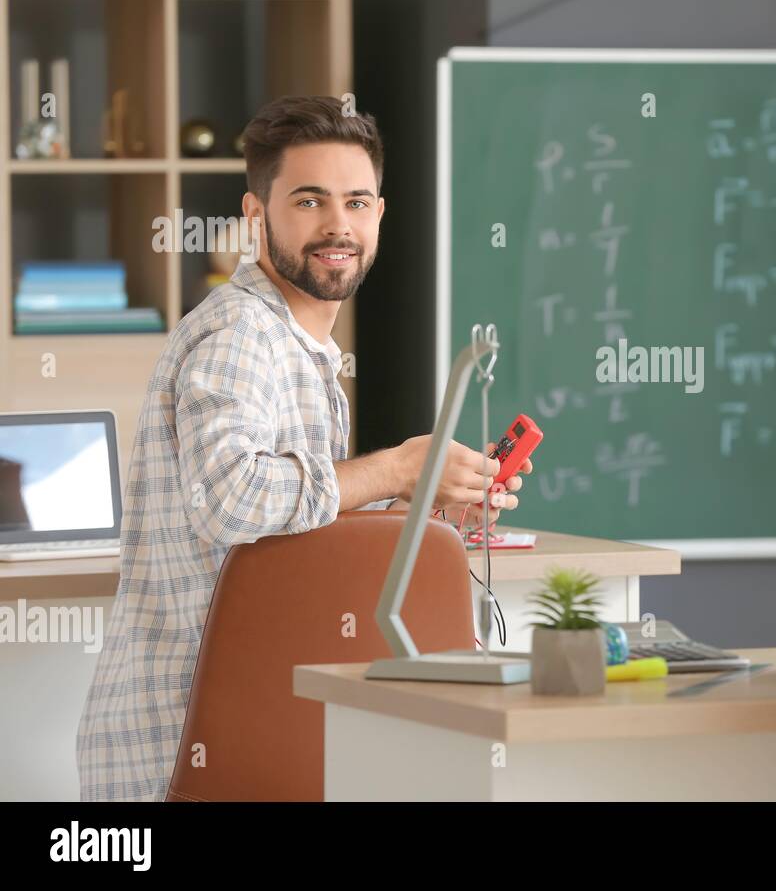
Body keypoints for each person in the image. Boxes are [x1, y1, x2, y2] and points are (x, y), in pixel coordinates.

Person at [77, 96, 528, 800]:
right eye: (310, 201)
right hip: (182, 748)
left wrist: (422, 512)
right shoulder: (240, 336)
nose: (338, 225)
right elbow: (233, 500)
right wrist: (397, 465)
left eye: (356, 201)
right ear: (256, 216)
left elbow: (294, 537)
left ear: (380, 213)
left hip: (256, 732)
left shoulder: (299, 346)